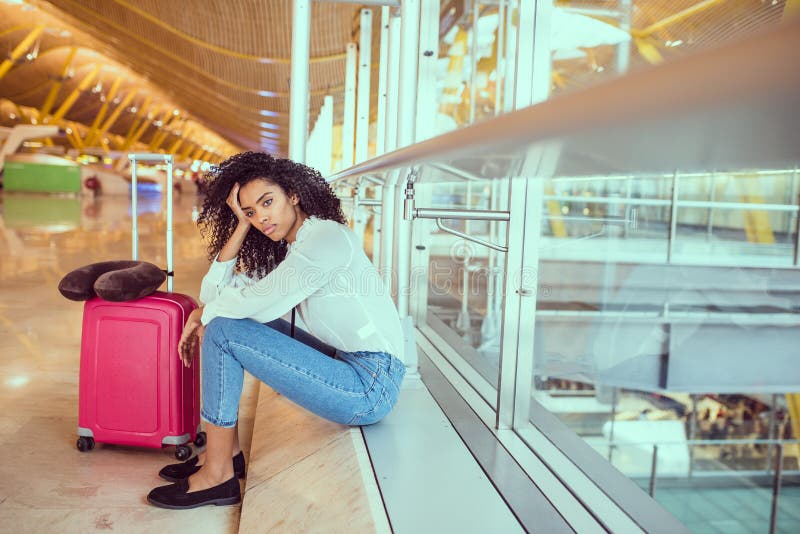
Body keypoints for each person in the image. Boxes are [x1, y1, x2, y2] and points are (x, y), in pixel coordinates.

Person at [147, 152, 405, 509]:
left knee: (222, 330)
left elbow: (259, 303)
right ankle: (227, 456)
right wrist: (239, 226)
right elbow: (214, 296)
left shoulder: (326, 239)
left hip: (369, 385)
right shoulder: (293, 247)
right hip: (348, 365)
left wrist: (204, 315)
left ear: (293, 195)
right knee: (223, 322)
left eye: (267, 202)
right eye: (251, 211)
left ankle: (218, 475)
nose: (262, 217)